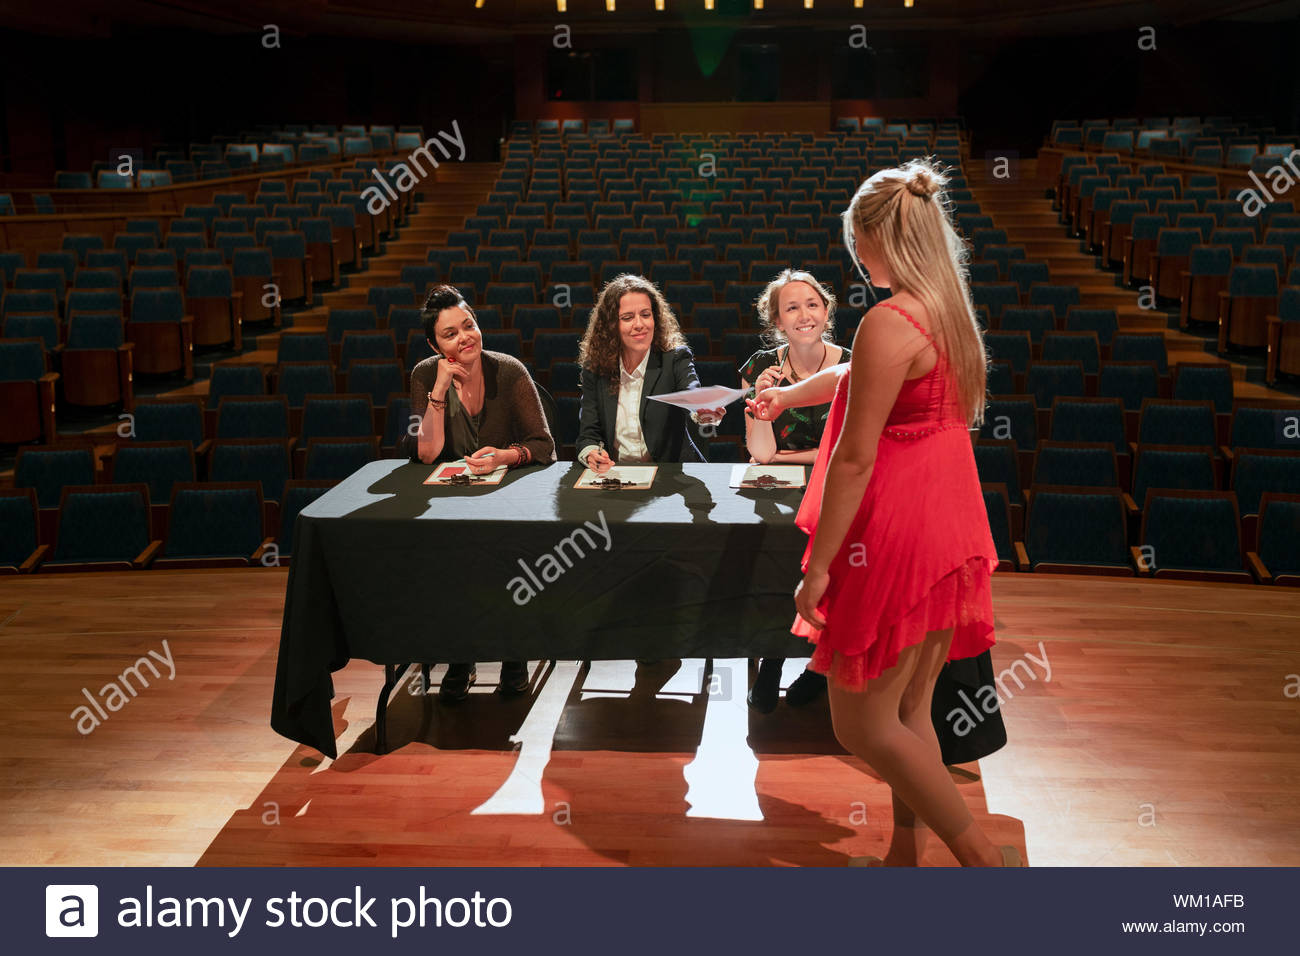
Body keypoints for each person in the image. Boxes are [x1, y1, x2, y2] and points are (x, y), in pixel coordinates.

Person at [748, 159, 1021, 867]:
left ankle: (986, 864)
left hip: (898, 533)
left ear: (877, 236)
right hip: (951, 524)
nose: (854, 255)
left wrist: (823, 569)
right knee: (910, 713)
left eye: (856, 241)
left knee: (862, 724)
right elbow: (849, 374)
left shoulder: (888, 319)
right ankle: (905, 854)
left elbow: (854, 460)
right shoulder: (944, 308)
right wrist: (784, 398)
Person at [406, 284, 556, 702]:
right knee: (445, 556)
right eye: (450, 334)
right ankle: (460, 655)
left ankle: (514, 654)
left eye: (468, 325)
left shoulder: (508, 370)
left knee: (508, 552)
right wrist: (438, 391)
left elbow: (545, 446)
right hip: (450, 504)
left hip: (507, 501)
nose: (464, 337)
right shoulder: (423, 374)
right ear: (434, 344)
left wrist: (504, 457)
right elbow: (425, 453)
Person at [739, 269, 850, 713]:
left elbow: (847, 450)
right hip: (780, 488)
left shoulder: (854, 363)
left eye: (812, 305)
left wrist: (794, 455)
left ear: (826, 311)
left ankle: (818, 668)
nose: (804, 315)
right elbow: (763, 455)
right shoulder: (759, 368)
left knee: (836, 570)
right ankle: (771, 662)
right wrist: (761, 404)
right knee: (774, 565)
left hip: (838, 487)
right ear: (777, 321)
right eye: (791, 308)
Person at [576, 273, 724, 472]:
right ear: (612, 325)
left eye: (646, 314)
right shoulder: (595, 368)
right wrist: (592, 453)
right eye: (627, 318)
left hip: (671, 477)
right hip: (618, 476)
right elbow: (588, 435)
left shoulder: (675, 358)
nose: (639, 324)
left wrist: (702, 410)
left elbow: (691, 392)